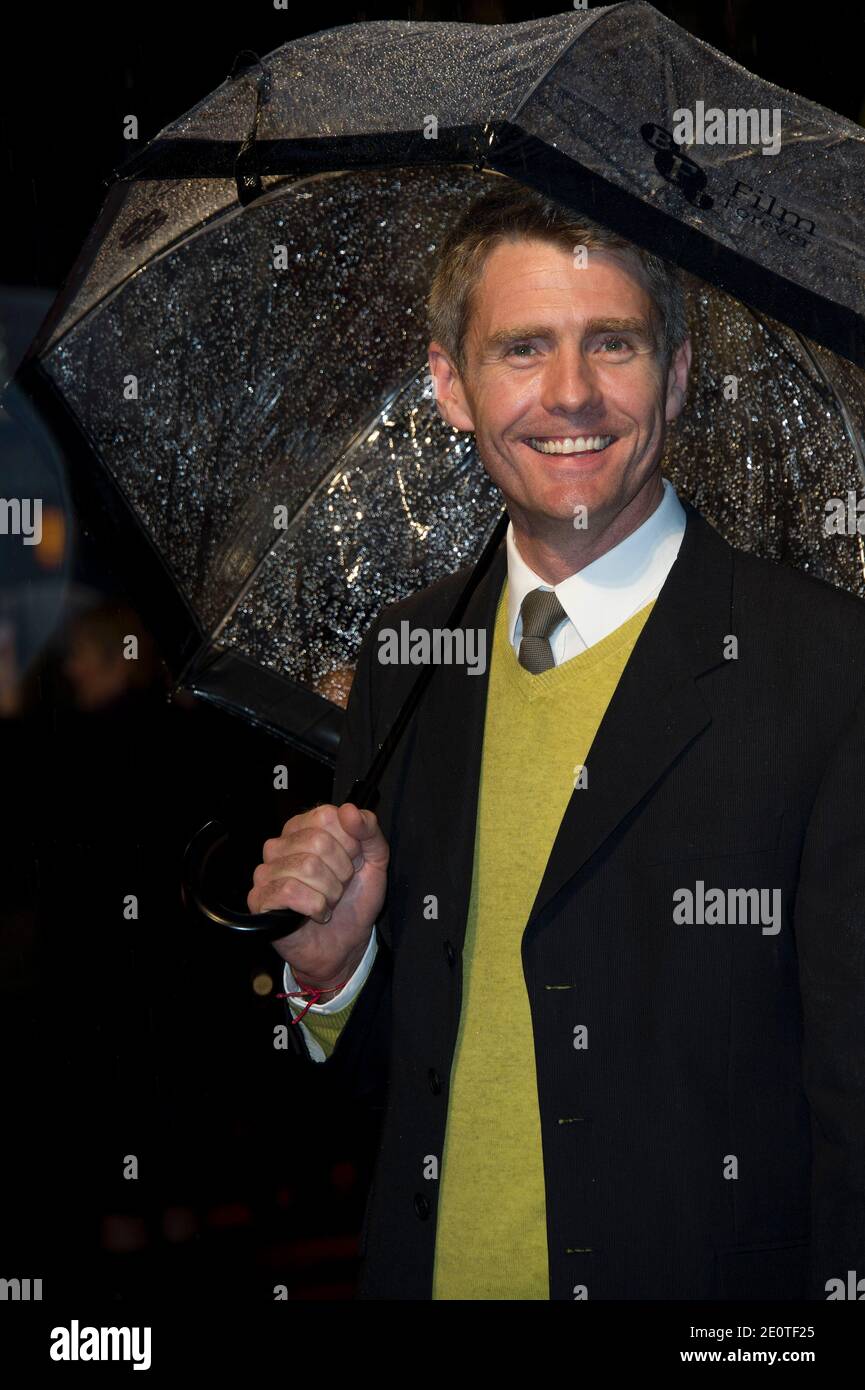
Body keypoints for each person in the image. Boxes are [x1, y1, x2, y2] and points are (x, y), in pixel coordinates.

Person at [247, 181, 865, 1301]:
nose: (569, 396)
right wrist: (335, 979)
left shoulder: (826, 671)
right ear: (451, 385)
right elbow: (389, 1093)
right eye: (522, 348)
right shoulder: (407, 658)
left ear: (675, 377)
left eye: (612, 344)